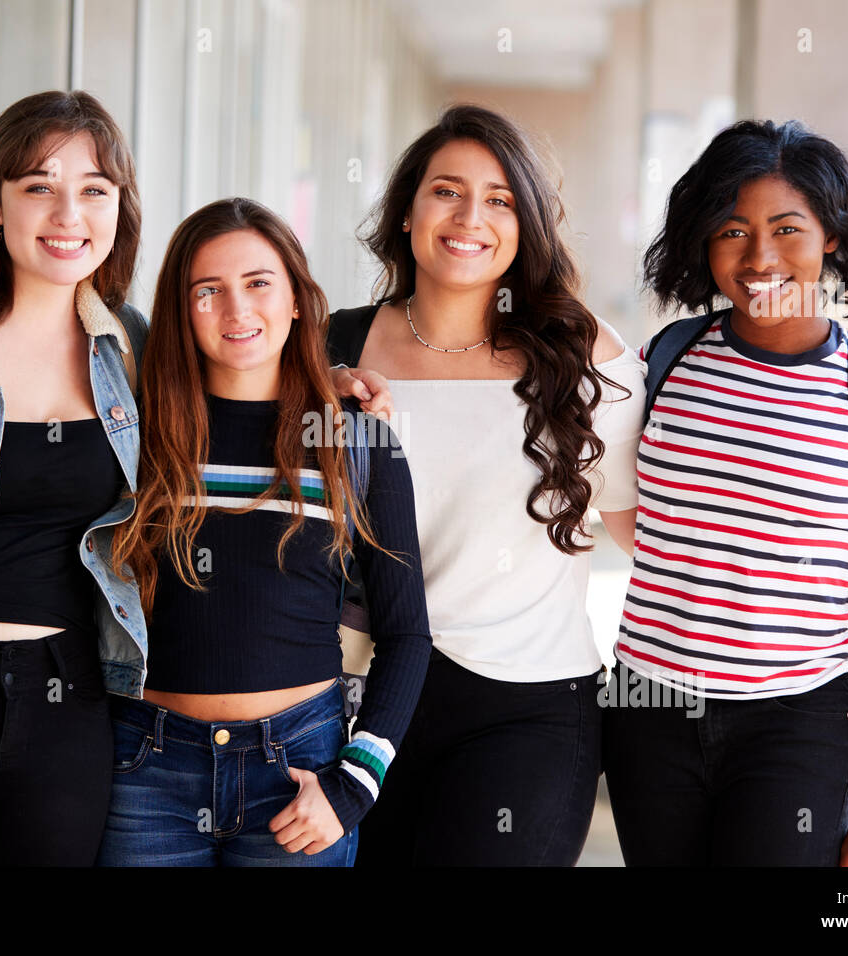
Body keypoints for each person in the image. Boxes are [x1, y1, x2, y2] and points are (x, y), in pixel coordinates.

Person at [0, 90, 392, 867]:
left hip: (72, 707)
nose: (67, 214)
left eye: (94, 191)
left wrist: (330, 380)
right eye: (39, 187)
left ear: (119, 209)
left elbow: (241, 356)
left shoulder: (132, 349)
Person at [602, 119, 848, 866]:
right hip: (648, 710)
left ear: (830, 235)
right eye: (732, 230)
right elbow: (626, 514)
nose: (759, 257)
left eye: (787, 228)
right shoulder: (662, 362)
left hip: (801, 723)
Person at [327, 104, 645, 866]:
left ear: (526, 224)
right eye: (446, 190)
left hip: (527, 708)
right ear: (407, 212)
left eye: (500, 199)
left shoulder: (582, 356)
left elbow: (646, 535)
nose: (471, 216)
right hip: (355, 701)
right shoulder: (331, 345)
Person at [95, 197, 432, 867]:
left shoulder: (356, 439)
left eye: (257, 283)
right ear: (180, 311)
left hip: (300, 768)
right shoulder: (134, 433)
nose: (236, 310)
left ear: (299, 299)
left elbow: (408, 634)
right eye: (207, 291)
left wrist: (353, 788)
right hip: (145, 770)